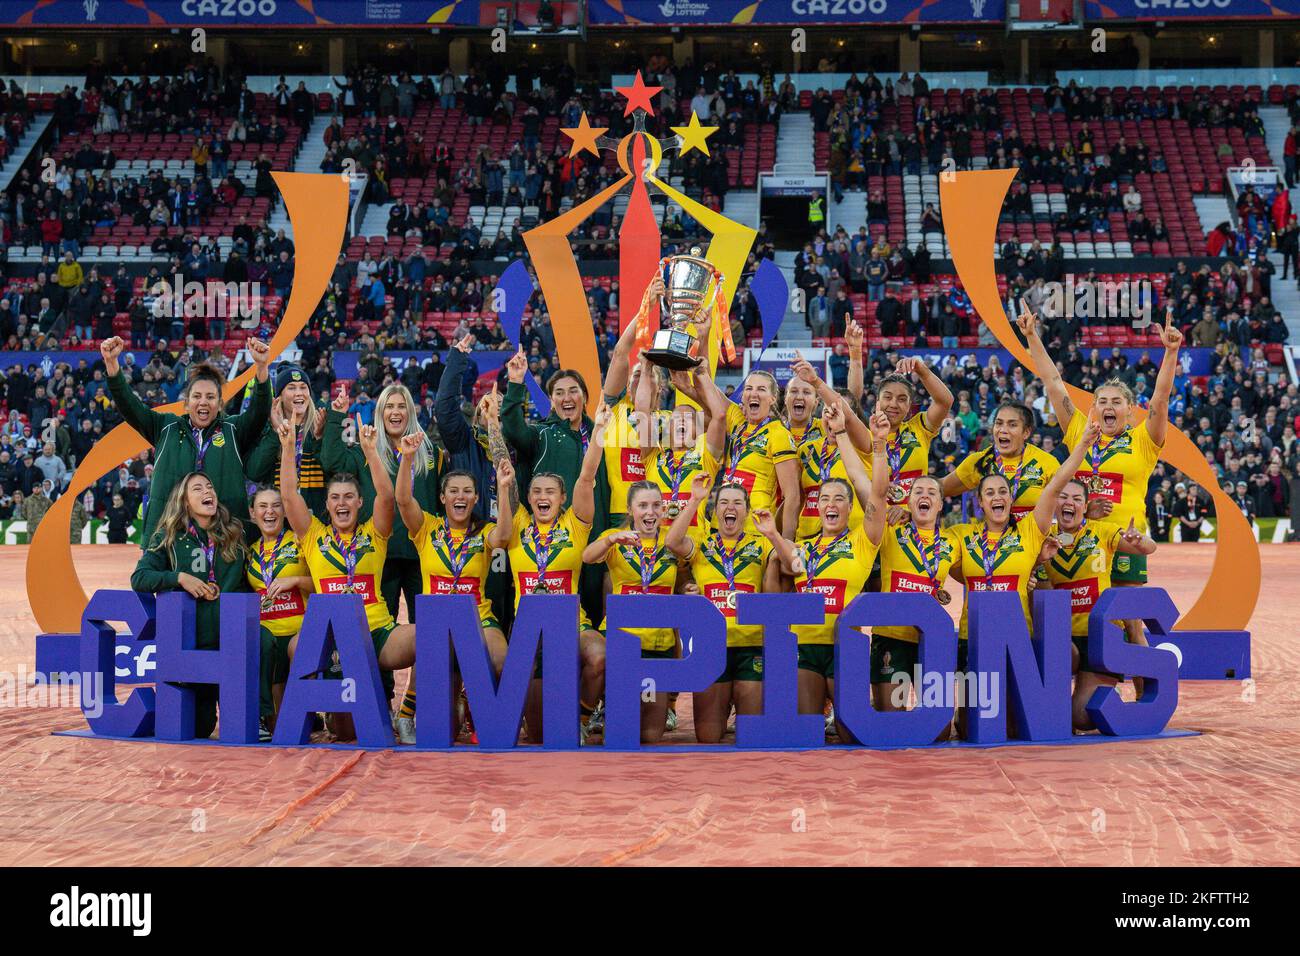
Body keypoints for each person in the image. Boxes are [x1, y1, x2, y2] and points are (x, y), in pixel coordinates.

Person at [1019, 301, 1183, 663]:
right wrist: (1032, 336)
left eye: (1116, 402)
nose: (1108, 407)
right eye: (1101, 402)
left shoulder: (1144, 439)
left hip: (1125, 543)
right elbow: (1052, 382)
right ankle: (1060, 697)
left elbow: (1161, 397)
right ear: (1093, 409)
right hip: (1076, 543)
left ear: (1129, 409)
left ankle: (1145, 699)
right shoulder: (1080, 430)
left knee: (1130, 623)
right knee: (1065, 620)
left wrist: (1170, 352)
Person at [945, 417, 1100, 740]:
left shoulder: (1030, 530)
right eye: (990, 492)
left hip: (1017, 639)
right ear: (979, 502)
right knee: (968, 728)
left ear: (1010, 500)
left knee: (1014, 729)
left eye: (1003, 491)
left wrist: (1083, 444)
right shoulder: (961, 535)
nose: (997, 496)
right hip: (971, 639)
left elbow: (1057, 483)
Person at [279, 418, 418, 743]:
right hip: (332, 639)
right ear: (326, 506)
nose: (342, 503)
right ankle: (324, 707)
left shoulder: (375, 533)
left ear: (359, 503)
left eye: (348, 497)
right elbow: (289, 498)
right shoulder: (313, 537)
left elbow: (386, 497)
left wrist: (371, 452)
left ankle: (407, 713)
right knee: (298, 649)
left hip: (378, 632)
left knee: (435, 636)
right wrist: (288, 449)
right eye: (335, 498)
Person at [755, 402, 888, 740]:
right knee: (805, 737)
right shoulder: (806, 548)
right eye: (824, 498)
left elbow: (874, 491)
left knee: (850, 735)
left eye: (839, 499)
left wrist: (868, 441)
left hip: (846, 647)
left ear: (850, 507)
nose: (830, 504)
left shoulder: (863, 541)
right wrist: (772, 534)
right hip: (805, 650)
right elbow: (790, 568)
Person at [487, 403, 609, 745]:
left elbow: (587, 476)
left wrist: (597, 432)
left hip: (572, 625)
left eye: (550, 492)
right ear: (527, 498)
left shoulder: (576, 525)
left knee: (600, 656)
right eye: (536, 492)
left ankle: (583, 717)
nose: (543, 496)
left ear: (563, 498)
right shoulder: (519, 523)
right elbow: (504, 468)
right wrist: (492, 425)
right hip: (530, 638)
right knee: (538, 737)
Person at [101, 335, 271, 547]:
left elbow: (259, 413)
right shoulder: (165, 427)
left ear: (220, 404)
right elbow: (129, 406)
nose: (203, 402)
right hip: (168, 537)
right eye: (197, 396)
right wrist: (112, 365)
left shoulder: (233, 430)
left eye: (210, 397)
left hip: (225, 538)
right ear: (186, 403)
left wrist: (262, 367)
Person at [394, 444, 505, 746]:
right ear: (443, 498)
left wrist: (505, 490)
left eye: (467, 491)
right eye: (453, 491)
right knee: (430, 640)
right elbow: (403, 500)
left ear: (476, 498)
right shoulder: (426, 528)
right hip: (439, 621)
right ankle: (405, 714)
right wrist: (406, 459)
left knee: (502, 658)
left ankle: (476, 706)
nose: (460, 496)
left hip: (477, 617)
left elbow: (505, 536)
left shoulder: (484, 531)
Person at [130, 473, 248, 740]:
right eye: (198, 488)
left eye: (210, 486)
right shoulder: (170, 537)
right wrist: (178, 578)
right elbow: (139, 578)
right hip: (195, 650)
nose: (208, 491)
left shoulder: (235, 531)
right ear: (184, 501)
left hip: (233, 645)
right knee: (198, 728)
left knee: (241, 729)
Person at [1034, 479, 1157, 732]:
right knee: (1055, 706)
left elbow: (1149, 547)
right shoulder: (1043, 539)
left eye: (1077, 499)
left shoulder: (1102, 531)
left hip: (1101, 638)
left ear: (1085, 506)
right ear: (1054, 502)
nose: (1070, 502)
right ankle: (1053, 705)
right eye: (1064, 497)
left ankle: (1118, 702)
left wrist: (1138, 541)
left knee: (1081, 717)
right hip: (1063, 640)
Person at [665, 474, 780, 743]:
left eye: (738, 503)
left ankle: (736, 701)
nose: (731, 508)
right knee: (708, 738)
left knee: (753, 737)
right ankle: (723, 704)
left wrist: (773, 534)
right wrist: (694, 500)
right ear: (715, 511)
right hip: (710, 647)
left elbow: (793, 564)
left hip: (751, 645)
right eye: (724, 502)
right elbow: (672, 541)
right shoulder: (702, 543)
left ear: (747, 511)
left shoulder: (760, 543)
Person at [321, 382, 443, 627]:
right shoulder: (365, 451)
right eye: (389, 406)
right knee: (378, 627)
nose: (395, 412)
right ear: (380, 413)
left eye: (401, 406)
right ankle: (382, 668)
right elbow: (330, 461)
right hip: (378, 556)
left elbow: (437, 504)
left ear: (411, 411)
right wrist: (336, 416)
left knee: (428, 630)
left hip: (422, 556)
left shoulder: (432, 453)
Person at [582, 480, 682, 743]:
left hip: (658, 643)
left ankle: (664, 705)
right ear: (630, 509)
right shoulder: (616, 537)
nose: (650, 512)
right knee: (618, 735)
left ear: (663, 509)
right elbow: (587, 557)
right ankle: (588, 714)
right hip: (622, 640)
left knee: (651, 737)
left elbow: (683, 580)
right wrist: (610, 539)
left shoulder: (673, 541)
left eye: (656, 505)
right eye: (643, 505)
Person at [871, 474, 960, 713]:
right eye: (918, 491)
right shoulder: (890, 529)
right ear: (908, 502)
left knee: (938, 731)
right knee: (892, 723)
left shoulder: (954, 542)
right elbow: (867, 495)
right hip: (891, 637)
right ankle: (876, 699)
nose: (925, 496)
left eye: (932, 493)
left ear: (941, 504)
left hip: (929, 641)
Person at [246, 484, 312, 740]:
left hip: (300, 634)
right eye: (262, 506)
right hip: (269, 643)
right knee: (279, 729)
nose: (269, 511)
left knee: (295, 729)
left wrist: (295, 581)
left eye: (276, 505)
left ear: (285, 511)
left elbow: (324, 583)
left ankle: (317, 707)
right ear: (252, 513)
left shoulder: (300, 540)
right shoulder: (250, 552)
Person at [634, 354, 727, 529]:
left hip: (693, 540)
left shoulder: (706, 455)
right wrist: (646, 367)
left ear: (699, 430)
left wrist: (701, 373)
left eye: (689, 419)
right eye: (676, 418)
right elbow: (642, 412)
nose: (682, 421)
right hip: (657, 542)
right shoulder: (654, 455)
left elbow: (720, 416)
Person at [942, 402, 1060, 518]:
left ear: (1026, 432)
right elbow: (939, 489)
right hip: (994, 536)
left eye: (1012, 425)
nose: (1003, 430)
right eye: (998, 423)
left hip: (1035, 536)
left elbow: (1067, 503)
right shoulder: (979, 461)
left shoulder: (1047, 462)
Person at [721, 370, 801, 536]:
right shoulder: (738, 421)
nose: (753, 393)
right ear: (742, 396)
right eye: (749, 388)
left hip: (755, 531)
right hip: (722, 526)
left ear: (772, 399)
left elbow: (792, 495)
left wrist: (786, 544)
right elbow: (705, 389)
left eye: (761, 389)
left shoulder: (779, 433)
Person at [246, 365, 328, 517]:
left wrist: (320, 439)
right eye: (291, 388)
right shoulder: (267, 429)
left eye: (303, 387)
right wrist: (275, 432)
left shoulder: (321, 425)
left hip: (317, 520)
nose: (299, 393)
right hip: (279, 520)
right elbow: (254, 472)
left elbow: (333, 470)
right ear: (280, 397)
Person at [874, 357, 954, 511]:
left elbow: (945, 401)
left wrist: (921, 370)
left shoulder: (919, 428)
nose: (893, 404)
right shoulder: (865, 436)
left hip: (916, 524)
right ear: (878, 401)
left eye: (902, 399)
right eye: (888, 397)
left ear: (910, 405)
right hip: (878, 526)